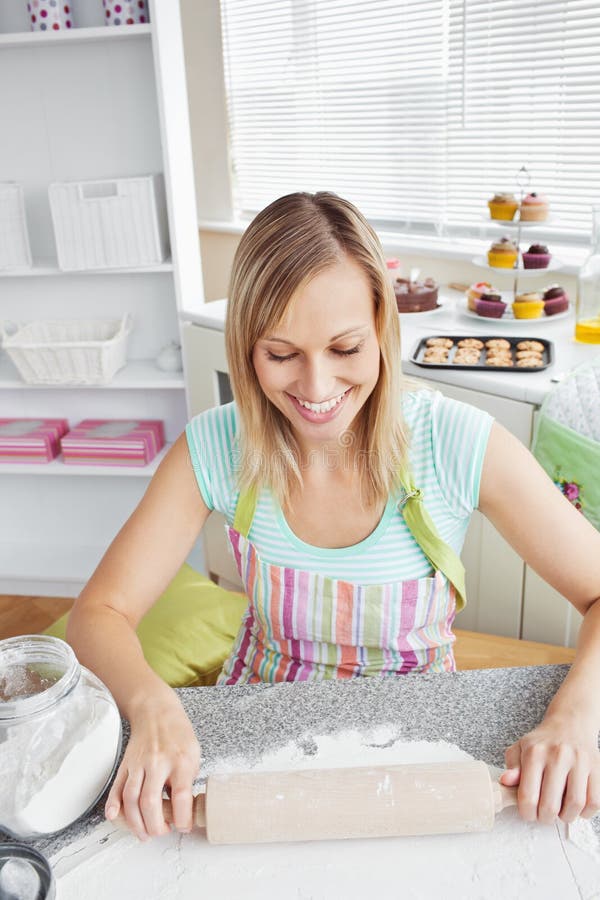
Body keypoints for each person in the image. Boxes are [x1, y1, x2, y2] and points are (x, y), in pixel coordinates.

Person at [67, 191, 600, 842]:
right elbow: (100, 612)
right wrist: (153, 706)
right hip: (256, 731)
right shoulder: (215, 448)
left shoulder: (457, 444)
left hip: (418, 740)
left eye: (345, 348)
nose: (316, 390)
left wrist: (576, 718)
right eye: (281, 354)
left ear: (382, 327)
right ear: (246, 348)